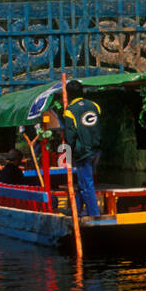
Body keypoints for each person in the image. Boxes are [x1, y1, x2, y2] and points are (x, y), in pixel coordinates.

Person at [60, 80, 103, 218]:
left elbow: (70, 136)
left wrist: (68, 152)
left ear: (68, 94)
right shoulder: (95, 105)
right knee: (83, 182)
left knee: (87, 184)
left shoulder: (70, 111)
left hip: (83, 153)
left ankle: (94, 215)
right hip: (96, 150)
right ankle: (76, 210)